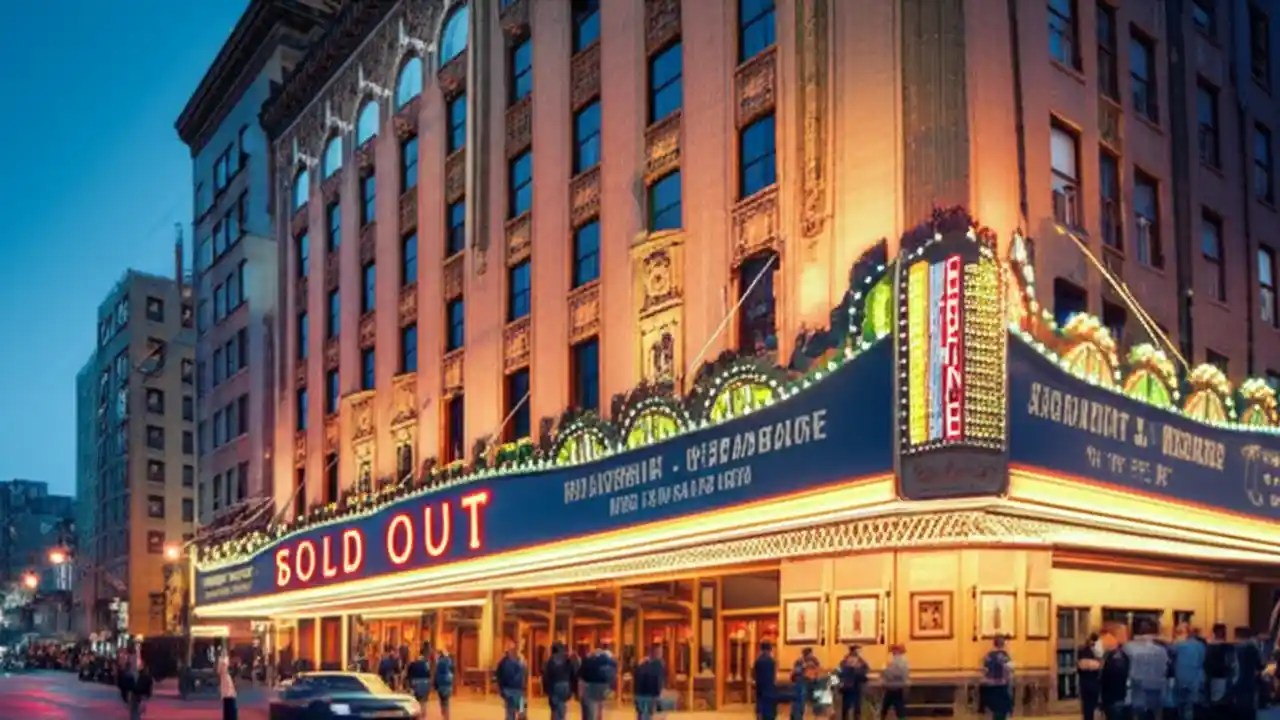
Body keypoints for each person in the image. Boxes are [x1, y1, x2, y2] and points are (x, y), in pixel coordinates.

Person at [1124, 619, 1171, 720]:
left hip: (1136, 688)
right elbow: (1166, 669)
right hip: (1157, 688)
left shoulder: (1128, 647)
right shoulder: (1162, 650)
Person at [1170, 624, 1204, 720]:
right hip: (1197, 679)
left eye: (1178, 633)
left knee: (1181, 705)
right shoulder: (1200, 645)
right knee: (1192, 706)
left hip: (1182, 679)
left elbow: (1170, 651)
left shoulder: (1179, 645)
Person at [580, 643, 618, 720]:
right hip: (604, 687)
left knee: (591, 710)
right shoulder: (608, 659)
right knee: (600, 706)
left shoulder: (589, 660)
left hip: (591, 687)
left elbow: (582, 675)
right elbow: (614, 670)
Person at [1099, 629, 1130, 720]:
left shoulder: (1116, 657)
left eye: (1104, 640)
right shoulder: (1112, 655)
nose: (1103, 643)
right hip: (1114, 699)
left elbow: (1113, 677)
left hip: (1115, 699)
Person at [980, 635, 1014, 720]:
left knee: (994, 709)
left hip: (990, 686)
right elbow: (1009, 669)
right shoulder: (1004, 655)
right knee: (1002, 710)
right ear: (1003, 643)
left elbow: (984, 670)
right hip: (1002, 685)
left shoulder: (988, 655)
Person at [1233, 627, 1263, 720]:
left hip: (1237, 682)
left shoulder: (1235, 648)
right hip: (1250, 682)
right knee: (1250, 708)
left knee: (1238, 708)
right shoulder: (1253, 648)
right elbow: (1260, 665)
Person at [633, 643, 667, 720]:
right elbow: (658, 680)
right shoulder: (658, 664)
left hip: (640, 694)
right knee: (648, 715)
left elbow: (636, 676)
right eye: (660, 652)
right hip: (650, 694)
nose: (661, 654)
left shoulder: (642, 662)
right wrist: (659, 694)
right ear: (656, 652)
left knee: (641, 715)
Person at [544, 642, 576, 720]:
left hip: (555, 685)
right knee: (561, 706)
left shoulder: (551, 660)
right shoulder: (567, 658)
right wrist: (572, 688)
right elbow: (573, 673)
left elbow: (547, 676)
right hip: (565, 685)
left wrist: (547, 689)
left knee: (555, 707)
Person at [496, 644, 528, 720]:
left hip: (509, 691)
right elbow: (525, 673)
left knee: (511, 713)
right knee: (522, 711)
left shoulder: (502, 663)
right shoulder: (520, 661)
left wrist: (501, 690)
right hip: (518, 691)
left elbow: (499, 676)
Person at [1077, 632, 1103, 720]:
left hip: (1088, 684)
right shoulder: (1088, 651)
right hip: (1092, 684)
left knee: (1088, 710)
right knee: (1091, 709)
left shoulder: (1084, 651)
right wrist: (1097, 665)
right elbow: (1082, 665)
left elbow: (1082, 665)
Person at [838, 645, 868, 720]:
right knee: (856, 705)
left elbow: (840, 672)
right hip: (854, 685)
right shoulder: (857, 660)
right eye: (858, 650)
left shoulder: (845, 660)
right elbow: (865, 669)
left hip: (846, 686)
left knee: (846, 705)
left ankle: (845, 717)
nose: (859, 652)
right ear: (854, 651)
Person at [791, 647, 821, 720]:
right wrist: (803, 668)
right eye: (809, 655)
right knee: (800, 702)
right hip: (802, 682)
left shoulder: (814, 660)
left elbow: (817, 669)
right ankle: (797, 717)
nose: (810, 656)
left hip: (810, 682)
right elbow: (795, 672)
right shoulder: (800, 661)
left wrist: (815, 677)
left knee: (810, 701)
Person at [880, 644, 909, 720]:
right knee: (895, 706)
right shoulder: (901, 660)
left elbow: (894, 673)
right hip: (896, 686)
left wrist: (885, 670)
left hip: (894, 686)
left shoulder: (900, 660)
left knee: (890, 706)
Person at [753, 641, 779, 720]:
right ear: (769, 650)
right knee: (770, 708)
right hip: (770, 687)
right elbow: (774, 676)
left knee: (760, 704)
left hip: (760, 686)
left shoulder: (758, 661)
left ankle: (759, 715)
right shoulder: (772, 661)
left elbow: (754, 674)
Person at [406, 649, 432, 719]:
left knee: (416, 699)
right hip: (424, 682)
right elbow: (428, 674)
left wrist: (408, 685)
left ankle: (417, 715)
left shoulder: (413, 664)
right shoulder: (426, 664)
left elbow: (409, 675)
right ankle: (423, 714)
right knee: (423, 701)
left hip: (415, 682)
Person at [434, 644, 456, 720]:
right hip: (448, 685)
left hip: (441, 685)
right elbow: (453, 672)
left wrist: (435, 686)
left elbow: (436, 675)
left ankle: (443, 713)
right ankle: (446, 717)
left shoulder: (439, 663)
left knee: (442, 701)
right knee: (446, 702)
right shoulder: (450, 662)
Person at [218, 650, 238, 720]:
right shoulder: (223, 659)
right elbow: (219, 670)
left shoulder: (224, 659)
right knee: (228, 694)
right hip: (225, 678)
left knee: (229, 693)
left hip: (226, 678)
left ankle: (230, 716)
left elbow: (219, 670)